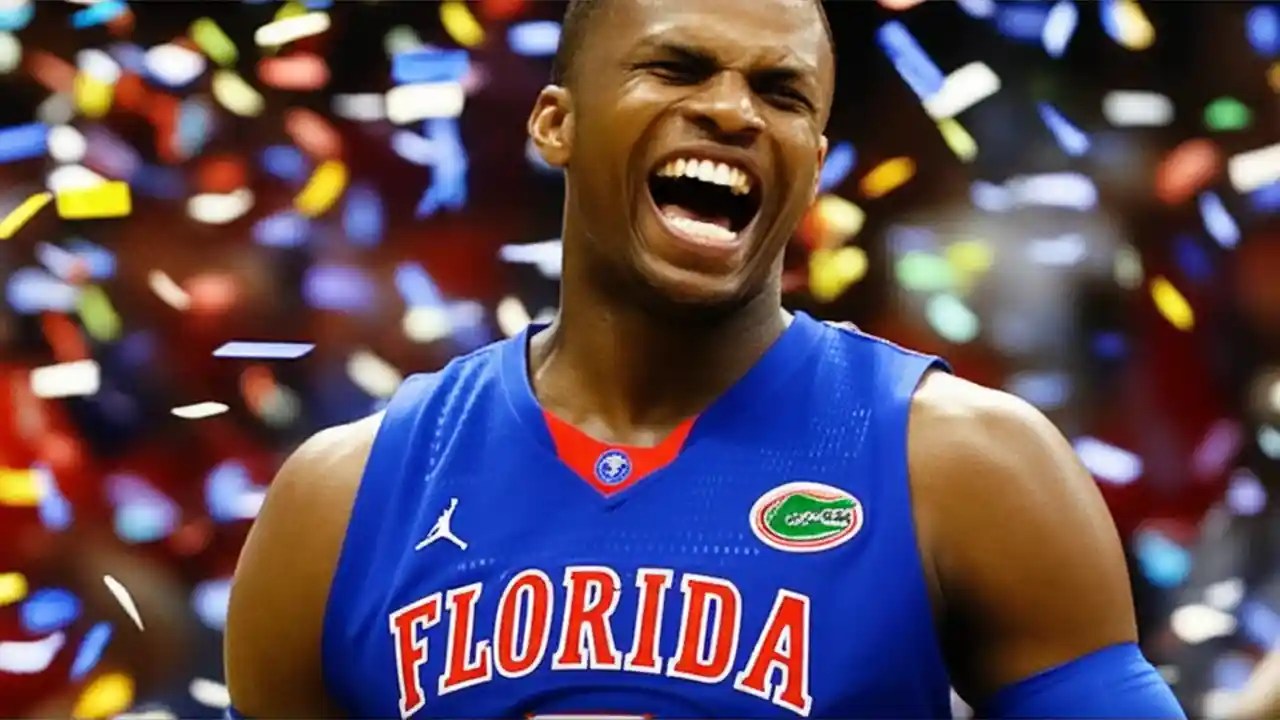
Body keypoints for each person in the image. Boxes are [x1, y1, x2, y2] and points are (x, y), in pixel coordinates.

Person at [225, 0, 1186, 716]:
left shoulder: (966, 464)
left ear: (815, 161)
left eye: (781, 92)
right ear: (556, 122)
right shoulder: (341, 498)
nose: (732, 112)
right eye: (677, 68)